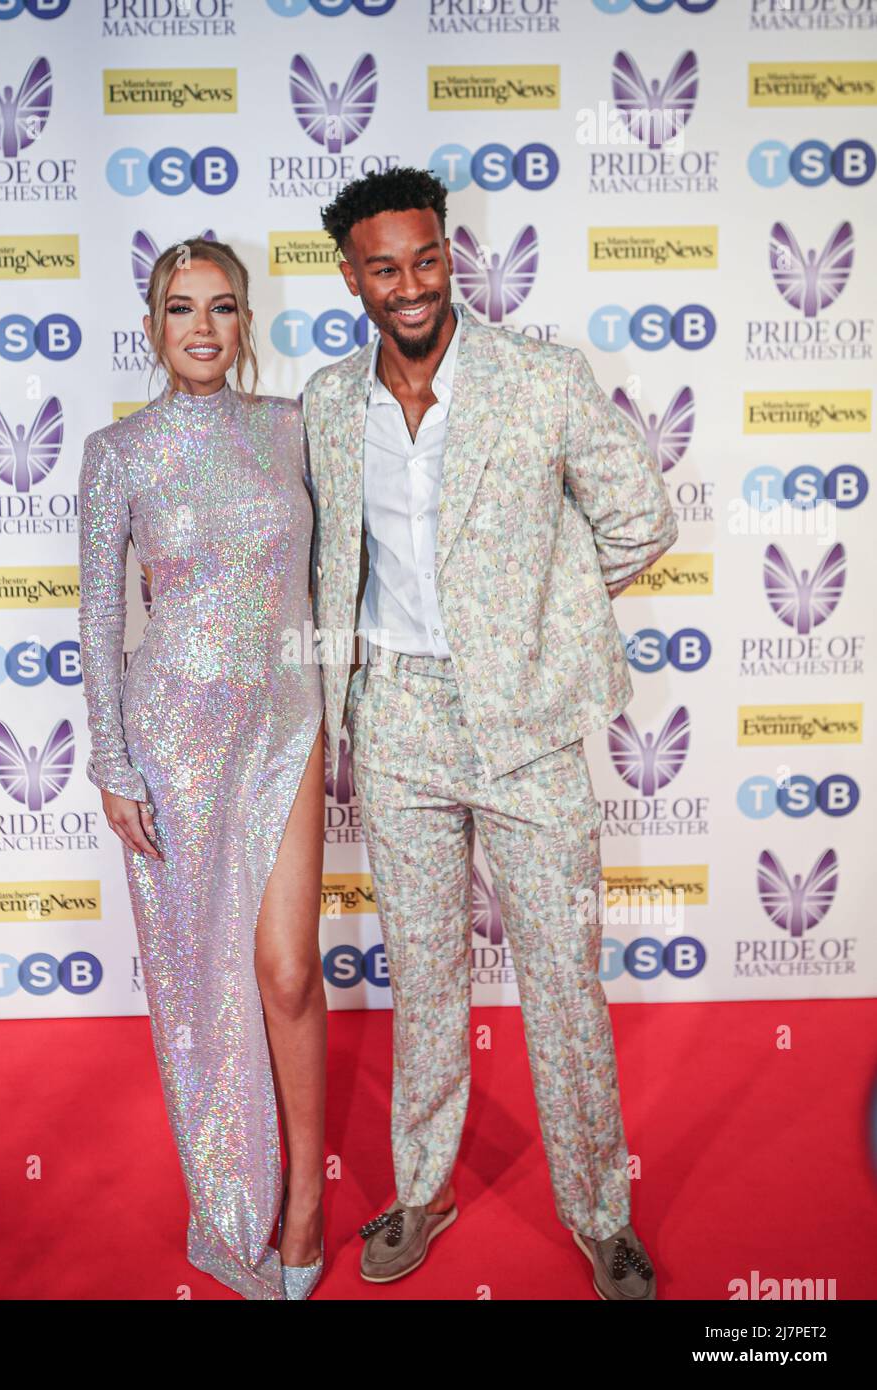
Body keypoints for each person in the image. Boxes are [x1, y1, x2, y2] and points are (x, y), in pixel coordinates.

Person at [302, 168, 678, 1300]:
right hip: (399, 715)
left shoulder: (541, 379)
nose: (410, 286)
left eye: (425, 259)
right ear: (350, 274)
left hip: (528, 718)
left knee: (563, 975)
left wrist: (541, 624)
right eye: (384, 267)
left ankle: (599, 1213)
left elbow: (641, 517)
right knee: (421, 974)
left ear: (448, 254)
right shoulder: (327, 403)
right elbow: (322, 561)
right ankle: (420, 1189)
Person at [77, 238, 326, 1300]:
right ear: (152, 326)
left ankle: (306, 1201)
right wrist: (110, 758)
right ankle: (231, 1210)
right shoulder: (117, 452)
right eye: (182, 309)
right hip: (171, 737)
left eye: (222, 308)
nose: (203, 328)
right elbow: (96, 616)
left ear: (243, 322)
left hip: (285, 718)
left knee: (285, 968)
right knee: (199, 983)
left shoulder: (288, 432)